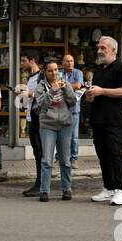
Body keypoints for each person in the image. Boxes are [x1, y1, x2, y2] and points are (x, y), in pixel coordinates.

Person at [85, 36, 122, 206]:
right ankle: (108, 188)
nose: (99, 50)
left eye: (103, 48)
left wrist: (102, 91)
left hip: (113, 119)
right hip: (98, 119)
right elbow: (96, 92)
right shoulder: (99, 70)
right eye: (98, 47)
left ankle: (121, 190)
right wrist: (90, 95)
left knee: (115, 154)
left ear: (113, 50)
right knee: (102, 155)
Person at [33, 59, 75, 201]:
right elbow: (40, 107)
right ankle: (44, 191)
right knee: (47, 160)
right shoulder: (40, 87)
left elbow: (73, 101)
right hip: (48, 126)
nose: (54, 73)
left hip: (65, 125)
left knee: (65, 159)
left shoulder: (65, 82)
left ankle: (67, 189)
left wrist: (66, 88)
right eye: (51, 70)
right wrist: (52, 90)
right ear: (45, 72)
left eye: (56, 69)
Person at [18, 53, 44, 197]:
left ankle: (41, 184)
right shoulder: (30, 78)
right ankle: (39, 182)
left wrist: (28, 93)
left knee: (41, 152)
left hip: (39, 119)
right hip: (30, 118)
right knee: (37, 152)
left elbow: (46, 93)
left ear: (32, 60)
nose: (22, 63)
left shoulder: (42, 76)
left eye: (24, 60)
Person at [60, 53, 85, 167]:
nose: (69, 63)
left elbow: (78, 86)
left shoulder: (78, 72)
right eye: (67, 61)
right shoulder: (60, 73)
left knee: (74, 136)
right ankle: (60, 157)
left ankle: (74, 158)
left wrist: (64, 85)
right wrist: (69, 86)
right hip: (61, 108)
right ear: (63, 63)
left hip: (74, 108)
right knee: (61, 134)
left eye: (71, 61)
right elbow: (55, 85)